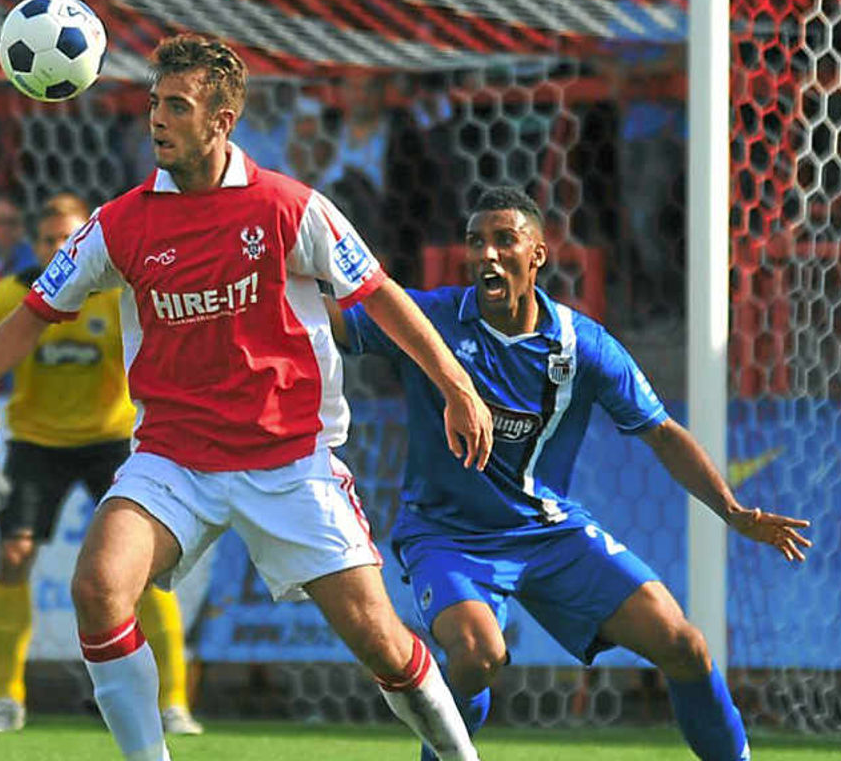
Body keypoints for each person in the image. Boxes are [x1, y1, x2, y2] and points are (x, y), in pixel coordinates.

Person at [0, 34, 494, 761]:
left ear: (222, 119)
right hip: (172, 457)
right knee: (97, 587)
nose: (157, 120)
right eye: (153, 104)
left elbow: (381, 295)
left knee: (384, 644)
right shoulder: (120, 223)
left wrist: (456, 385)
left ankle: (461, 757)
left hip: (289, 460)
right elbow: (34, 309)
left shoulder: (290, 207)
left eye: (177, 105)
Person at [327, 187, 813, 761]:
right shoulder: (429, 318)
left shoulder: (581, 346)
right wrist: (287, 264)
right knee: (478, 656)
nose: (486, 254)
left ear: (537, 255)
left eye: (504, 240)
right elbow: (338, 323)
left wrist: (733, 511)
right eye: (476, 242)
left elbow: (660, 430)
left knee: (684, 645)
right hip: (447, 535)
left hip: (546, 532)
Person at [0, 193, 202, 737]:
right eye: (46, 241)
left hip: (111, 441)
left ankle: (173, 703)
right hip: (37, 443)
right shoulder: (10, 297)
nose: (57, 249)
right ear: (35, 245)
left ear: (83, 239)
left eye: (67, 238)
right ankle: (7, 699)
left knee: (143, 573)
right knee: (13, 554)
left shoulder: (116, 294)